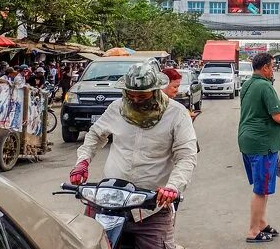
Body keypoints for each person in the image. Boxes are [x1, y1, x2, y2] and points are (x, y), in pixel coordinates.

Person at [69, 62, 196, 249]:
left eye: (142, 96)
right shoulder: (116, 108)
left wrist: (173, 187)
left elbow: (186, 156)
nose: (136, 100)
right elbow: (95, 135)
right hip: (109, 202)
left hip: (151, 207)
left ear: (155, 90)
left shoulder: (176, 113)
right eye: (131, 95)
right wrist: (82, 162)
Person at [237, 52, 280, 244]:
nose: (273, 70)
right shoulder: (265, 86)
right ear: (265, 68)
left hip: (247, 141)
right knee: (260, 189)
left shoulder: (247, 84)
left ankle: (261, 223)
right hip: (262, 145)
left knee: (261, 187)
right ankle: (253, 230)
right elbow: (278, 116)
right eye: (272, 66)